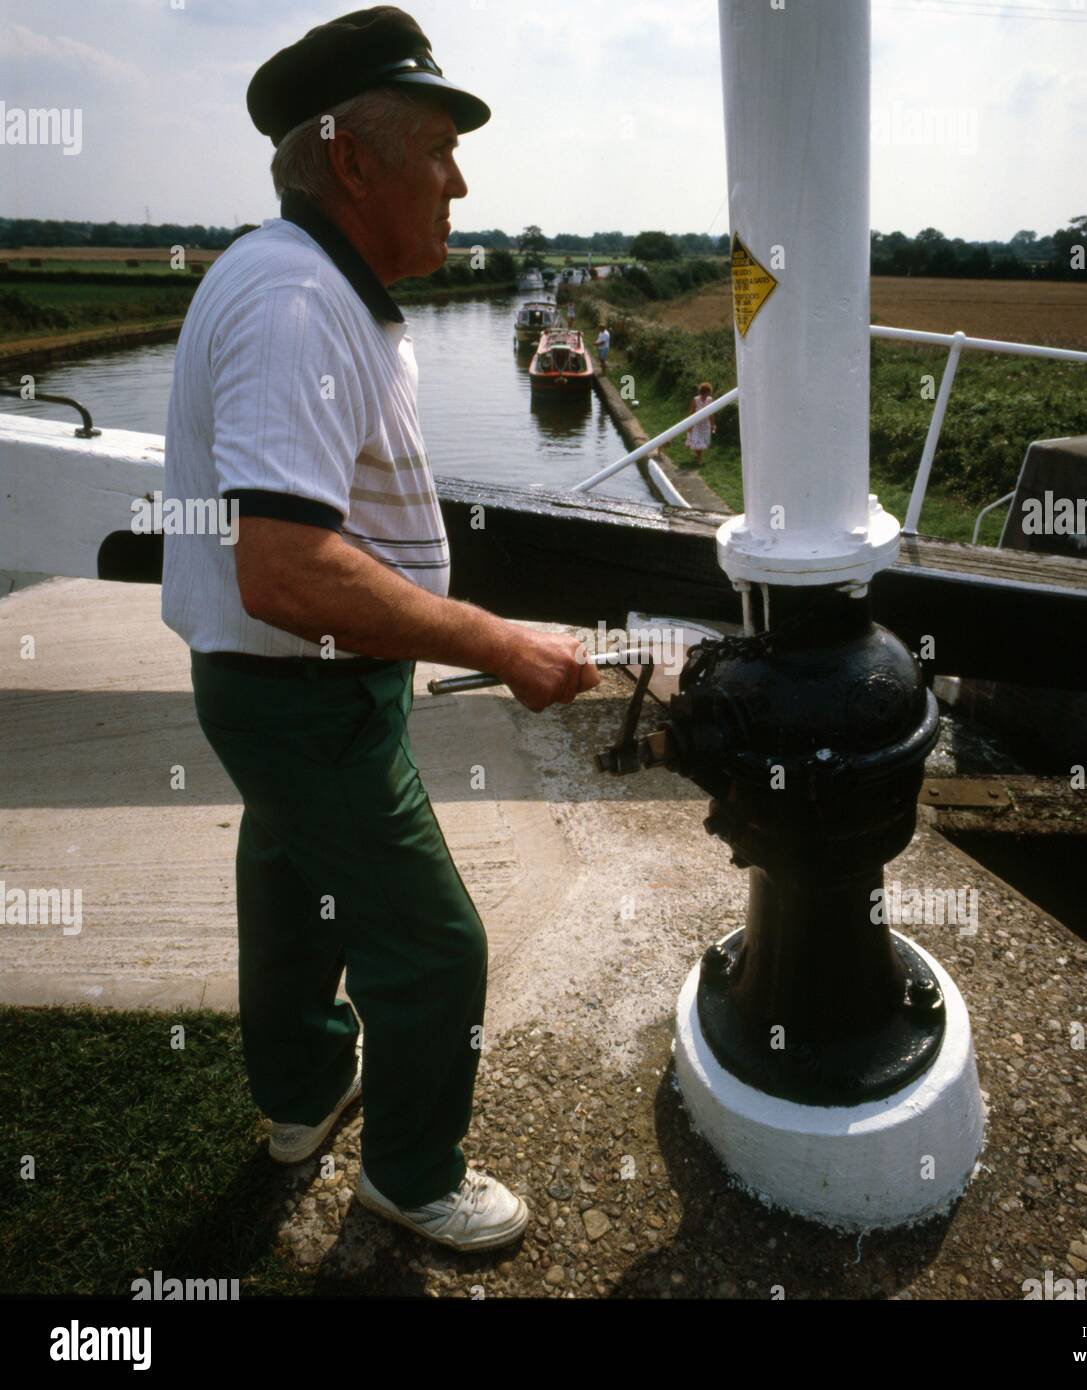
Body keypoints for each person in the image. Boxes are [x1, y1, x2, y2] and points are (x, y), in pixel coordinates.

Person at [161, 7, 598, 1256]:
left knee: (294, 893)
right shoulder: (299, 305)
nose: (460, 180)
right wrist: (501, 642)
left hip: (286, 689)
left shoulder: (305, 284)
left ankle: (302, 1099)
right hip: (303, 687)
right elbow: (285, 568)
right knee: (433, 946)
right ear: (351, 159)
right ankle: (412, 1174)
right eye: (439, 148)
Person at [685, 381, 717, 467]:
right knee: (697, 442)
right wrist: (689, 425)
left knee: (702, 443)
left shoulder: (710, 400)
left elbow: (711, 413)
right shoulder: (695, 400)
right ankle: (699, 459)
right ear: (703, 392)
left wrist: (713, 424)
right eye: (707, 392)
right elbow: (692, 413)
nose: (708, 393)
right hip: (697, 424)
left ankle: (698, 455)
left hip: (705, 425)